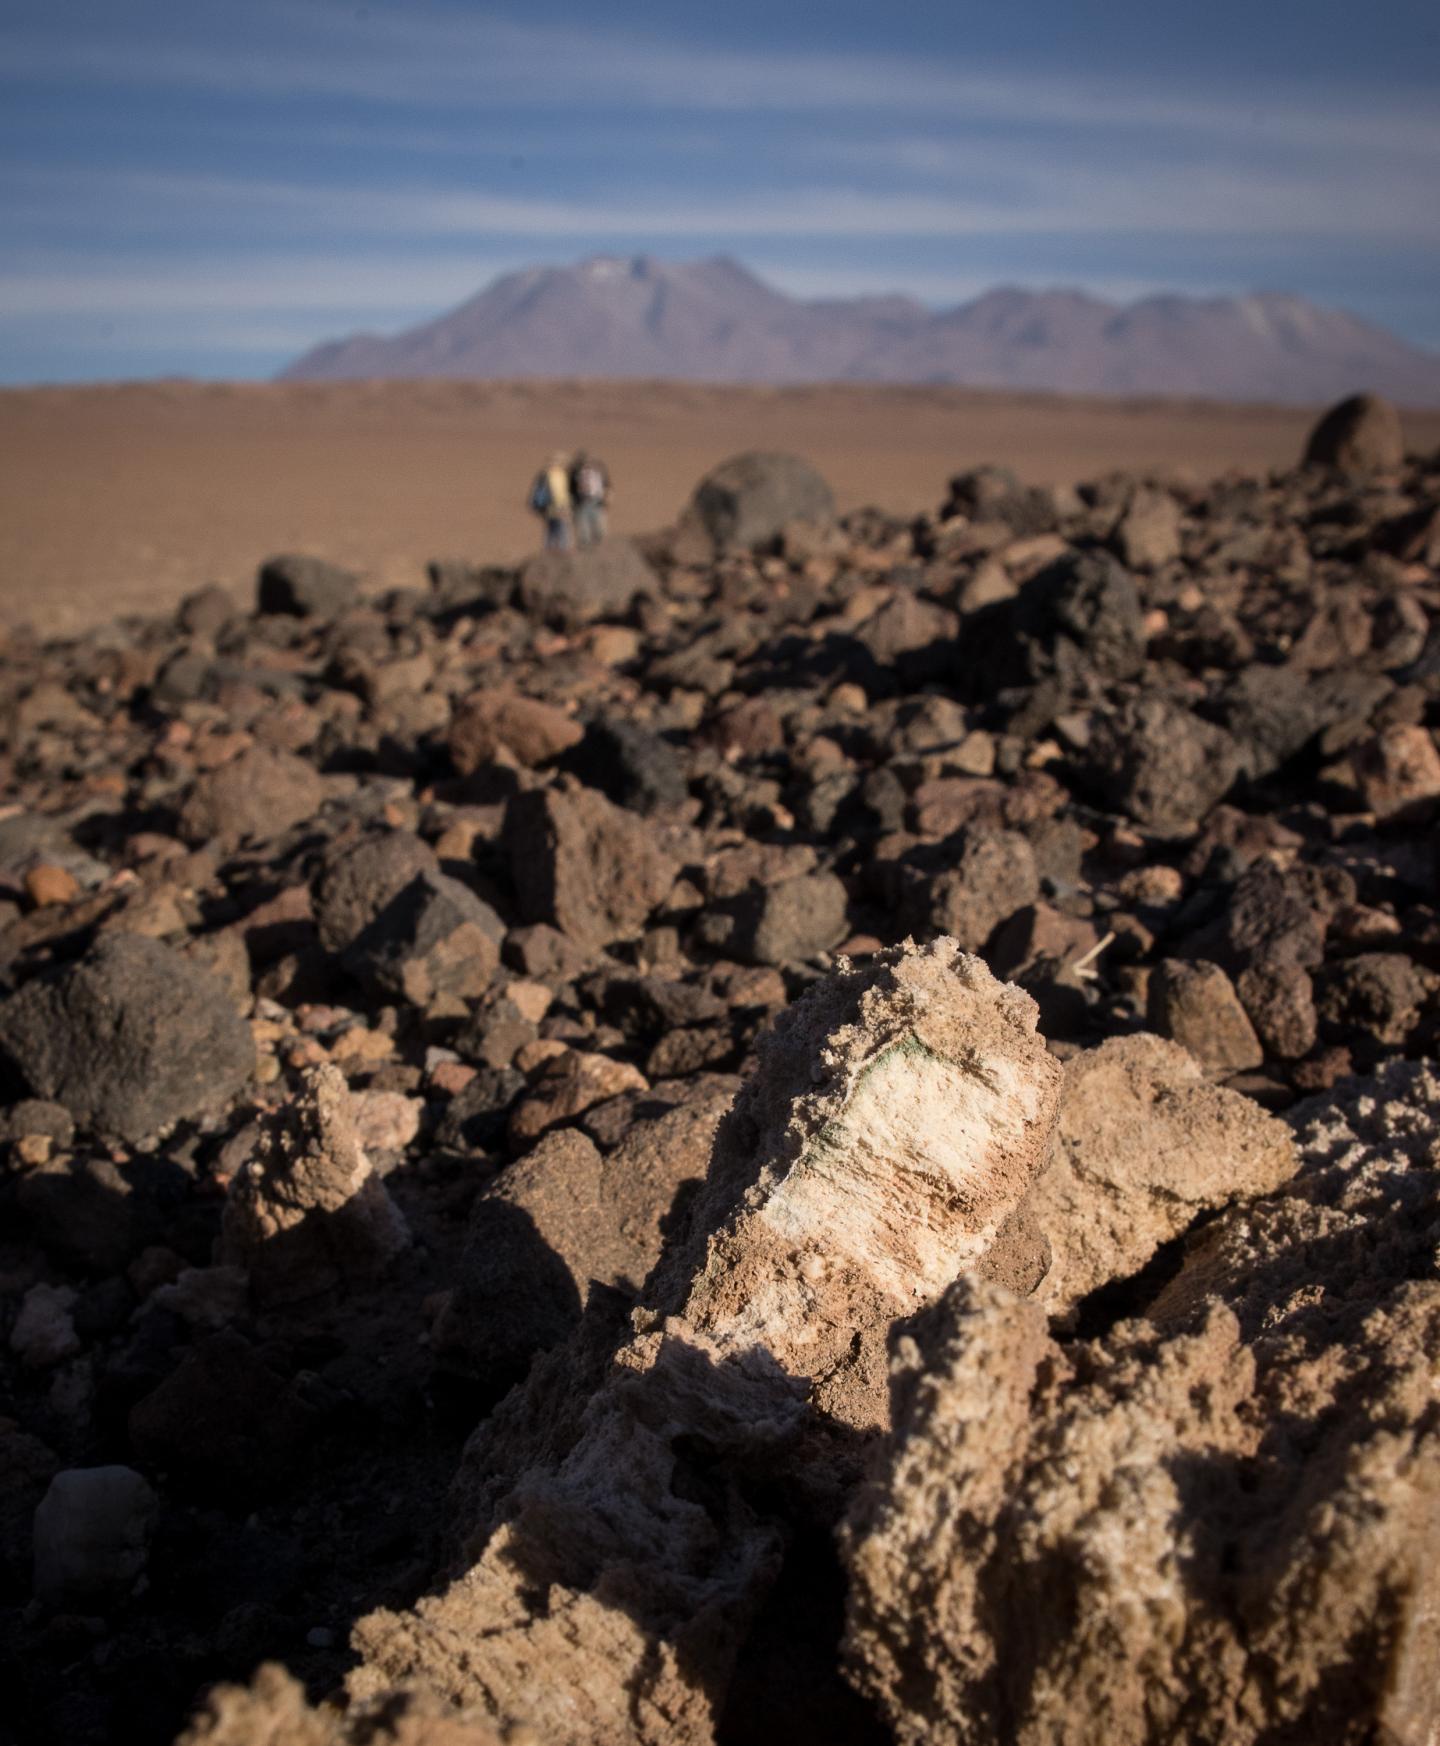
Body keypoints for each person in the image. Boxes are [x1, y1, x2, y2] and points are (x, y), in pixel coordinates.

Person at [528, 451, 573, 551]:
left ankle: (557, 549)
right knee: (557, 526)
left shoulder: (562, 473)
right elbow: (543, 492)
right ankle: (556, 549)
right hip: (553, 504)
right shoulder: (547, 475)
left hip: (561, 504)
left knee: (557, 526)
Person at [570, 450, 610, 549]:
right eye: (584, 461)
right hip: (582, 503)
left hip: (596, 502)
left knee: (600, 528)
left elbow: (607, 485)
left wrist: (607, 497)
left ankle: (600, 548)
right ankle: (586, 549)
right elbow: (571, 489)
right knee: (583, 530)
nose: (587, 463)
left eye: (589, 461)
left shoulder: (598, 473)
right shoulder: (575, 474)